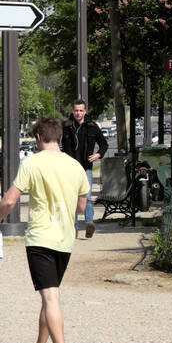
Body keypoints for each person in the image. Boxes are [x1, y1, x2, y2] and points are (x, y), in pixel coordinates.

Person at [0, 114, 89, 343]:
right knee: (49, 295)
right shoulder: (75, 166)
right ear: (60, 137)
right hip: (65, 240)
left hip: (41, 238)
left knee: (51, 297)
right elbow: (82, 203)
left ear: (39, 138)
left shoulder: (32, 164)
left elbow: (9, 200)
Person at [61, 99, 108, 238]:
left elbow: (104, 144)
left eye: (81, 110)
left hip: (86, 168)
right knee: (72, 198)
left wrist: (98, 155)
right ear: (73, 111)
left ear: (85, 111)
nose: (78, 113)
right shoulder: (66, 126)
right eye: (76, 110)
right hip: (69, 168)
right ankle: (73, 227)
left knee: (86, 197)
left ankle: (89, 223)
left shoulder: (92, 126)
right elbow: (56, 143)